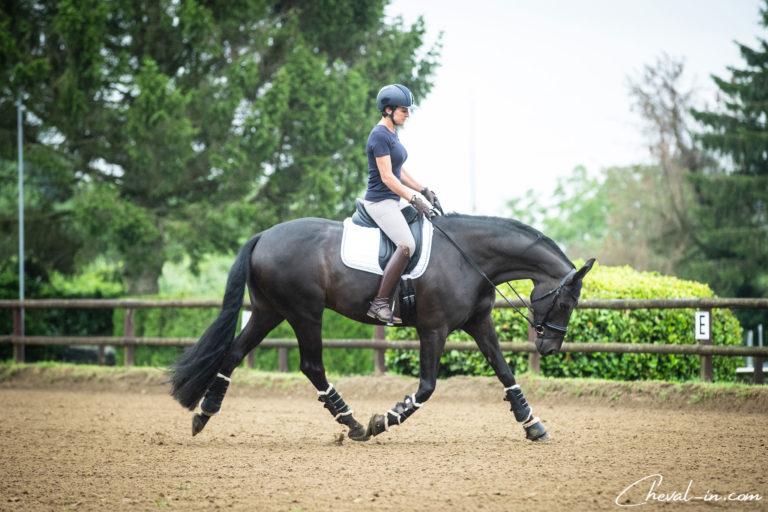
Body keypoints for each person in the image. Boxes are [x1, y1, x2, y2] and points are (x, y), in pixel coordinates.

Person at [364, 83, 439, 324]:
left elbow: (399, 170)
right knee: (407, 244)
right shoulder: (378, 135)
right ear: (388, 110)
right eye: (404, 110)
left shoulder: (391, 134)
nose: (408, 114)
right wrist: (413, 199)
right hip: (380, 202)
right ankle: (379, 303)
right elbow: (387, 177)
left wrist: (422, 189)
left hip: (393, 200)